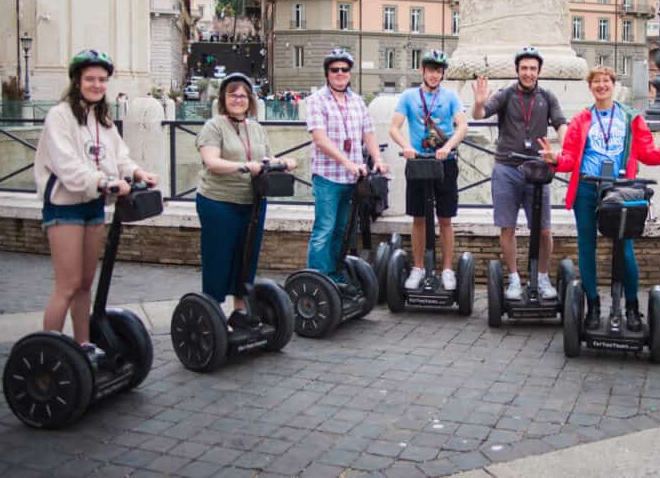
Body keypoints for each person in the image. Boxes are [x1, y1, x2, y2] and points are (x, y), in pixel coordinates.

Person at [33, 50, 158, 356]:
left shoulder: (103, 119)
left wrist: (137, 172)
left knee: (86, 283)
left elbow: (119, 156)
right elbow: (66, 164)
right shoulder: (60, 116)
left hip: (93, 205)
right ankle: (48, 352)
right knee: (68, 284)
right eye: (90, 79)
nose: (97, 85)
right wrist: (102, 182)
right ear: (77, 81)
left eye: (102, 80)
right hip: (64, 205)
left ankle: (83, 345)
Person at [540, 66, 660, 330]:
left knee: (625, 249)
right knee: (587, 248)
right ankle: (593, 306)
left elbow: (647, 153)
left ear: (613, 85)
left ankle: (631, 307)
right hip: (587, 187)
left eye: (606, 81)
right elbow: (570, 158)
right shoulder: (581, 119)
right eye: (596, 81)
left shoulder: (631, 118)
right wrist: (555, 159)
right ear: (590, 87)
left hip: (620, 190)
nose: (602, 85)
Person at [196, 73, 297, 324]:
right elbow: (211, 161)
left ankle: (241, 310)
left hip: (252, 203)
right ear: (224, 98)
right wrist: (243, 166)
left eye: (243, 95)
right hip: (218, 202)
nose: (238, 99)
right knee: (219, 257)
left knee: (246, 257)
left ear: (250, 100)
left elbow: (266, 159)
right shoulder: (214, 126)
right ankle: (213, 314)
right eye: (233, 95)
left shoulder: (256, 128)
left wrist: (284, 163)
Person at [471, 47, 568, 300]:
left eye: (533, 69)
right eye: (524, 68)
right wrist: (479, 102)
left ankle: (542, 277)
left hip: (538, 170)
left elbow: (561, 124)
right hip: (506, 168)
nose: (528, 73)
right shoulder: (506, 95)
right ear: (517, 70)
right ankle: (514, 279)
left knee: (544, 230)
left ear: (539, 71)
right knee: (508, 228)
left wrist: (564, 150)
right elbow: (479, 114)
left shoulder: (547, 97)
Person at [306, 49, 388, 282]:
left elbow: (368, 134)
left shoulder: (357, 101)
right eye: (335, 70)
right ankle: (316, 280)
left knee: (343, 231)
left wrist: (378, 159)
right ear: (327, 73)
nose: (340, 73)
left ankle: (334, 276)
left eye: (344, 69)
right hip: (327, 177)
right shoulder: (316, 100)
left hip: (352, 180)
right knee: (324, 229)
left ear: (350, 73)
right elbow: (320, 139)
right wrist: (348, 163)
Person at [390, 50, 468, 290]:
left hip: (445, 163)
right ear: (422, 71)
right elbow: (394, 127)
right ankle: (418, 267)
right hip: (418, 162)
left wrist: (448, 147)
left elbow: (462, 126)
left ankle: (447, 269)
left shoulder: (451, 97)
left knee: (445, 219)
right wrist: (405, 146)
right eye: (431, 70)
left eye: (438, 71)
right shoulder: (408, 96)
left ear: (442, 73)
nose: (434, 75)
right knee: (419, 218)